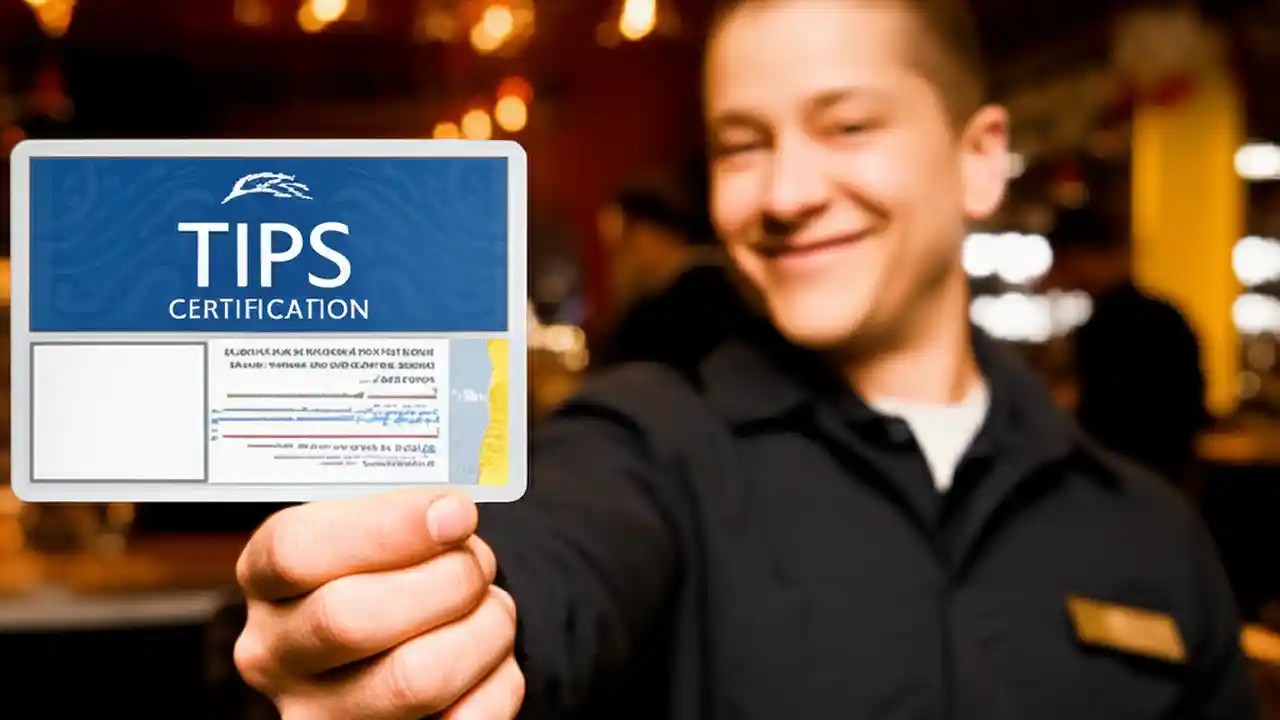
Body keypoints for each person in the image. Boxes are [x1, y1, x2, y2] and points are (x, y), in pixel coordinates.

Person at [232, 1, 1260, 718]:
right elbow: (556, 555)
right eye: (740, 144)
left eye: (845, 125)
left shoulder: (1149, 532)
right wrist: (436, 625)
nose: (780, 193)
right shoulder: (657, 444)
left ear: (978, 158)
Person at [1049, 207, 1211, 486]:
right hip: (1168, 481)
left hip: (1112, 482)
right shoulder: (1168, 317)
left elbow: (1094, 415)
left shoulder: (1100, 329)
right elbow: (1193, 407)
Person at [593, 170, 756, 377]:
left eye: (620, 243)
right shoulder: (736, 283)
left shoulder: (665, 313)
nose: (615, 261)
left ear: (648, 234)